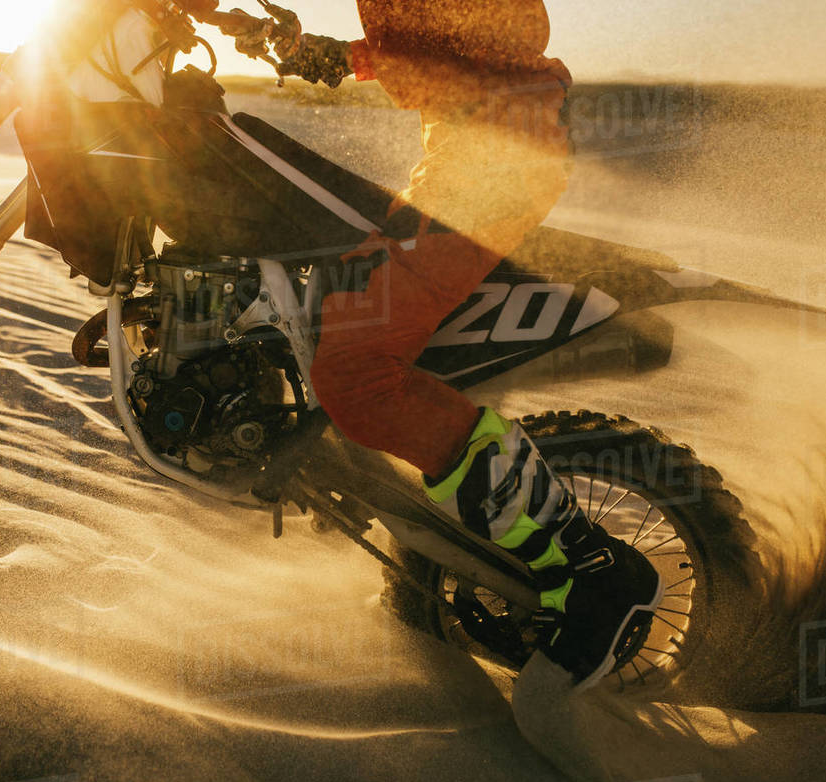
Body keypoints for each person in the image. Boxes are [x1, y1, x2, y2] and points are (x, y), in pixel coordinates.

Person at [275, 0, 664, 689]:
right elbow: (441, 40)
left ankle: (591, 569)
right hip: (464, 160)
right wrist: (350, 56)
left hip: (493, 166)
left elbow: (504, 32)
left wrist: (367, 57)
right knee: (315, 293)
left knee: (357, 376)